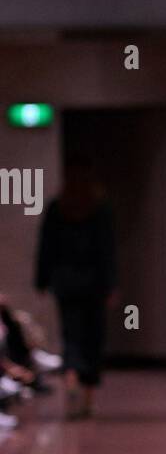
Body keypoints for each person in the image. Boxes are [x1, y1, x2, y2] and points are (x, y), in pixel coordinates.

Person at [35, 153, 117, 420]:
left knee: (71, 333)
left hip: (65, 280)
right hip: (93, 281)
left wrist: (42, 279)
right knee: (93, 336)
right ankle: (89, 398)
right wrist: (111, 284)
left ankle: (71, 378)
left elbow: (46, 247)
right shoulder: (99, 207)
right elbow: (107, 250)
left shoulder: (59, 207)